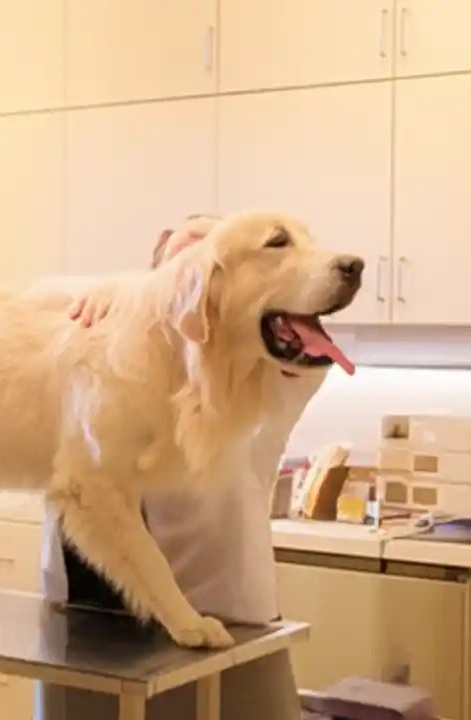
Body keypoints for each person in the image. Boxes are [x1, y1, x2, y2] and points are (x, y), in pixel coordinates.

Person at [36, 215, 325, 720]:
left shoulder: (255, 378)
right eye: (181, 268)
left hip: (227, 632)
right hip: (82, 632)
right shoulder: (91, 359)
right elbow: (26, 303)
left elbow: (304, 329)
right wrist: (109, 294)